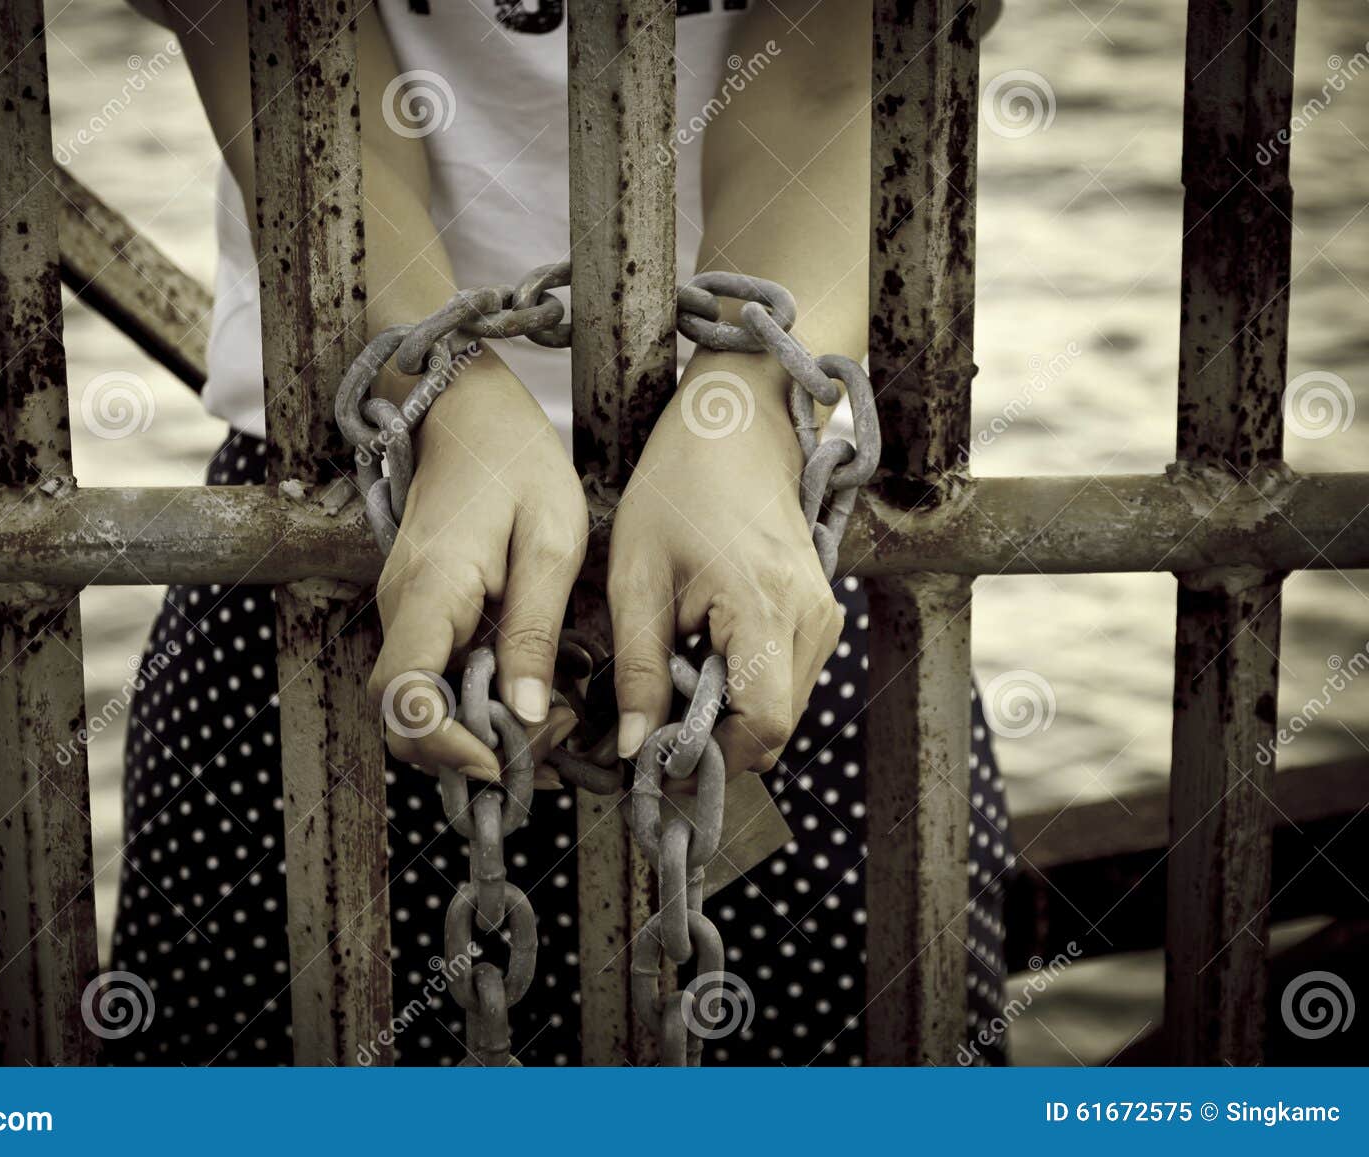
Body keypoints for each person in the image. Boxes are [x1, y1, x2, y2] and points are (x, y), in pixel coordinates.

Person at [111, 0, 1012, 1065]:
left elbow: (843, 63)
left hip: (763, 535)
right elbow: (273, 41)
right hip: (353, 524)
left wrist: (749, 389)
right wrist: (437, 386)